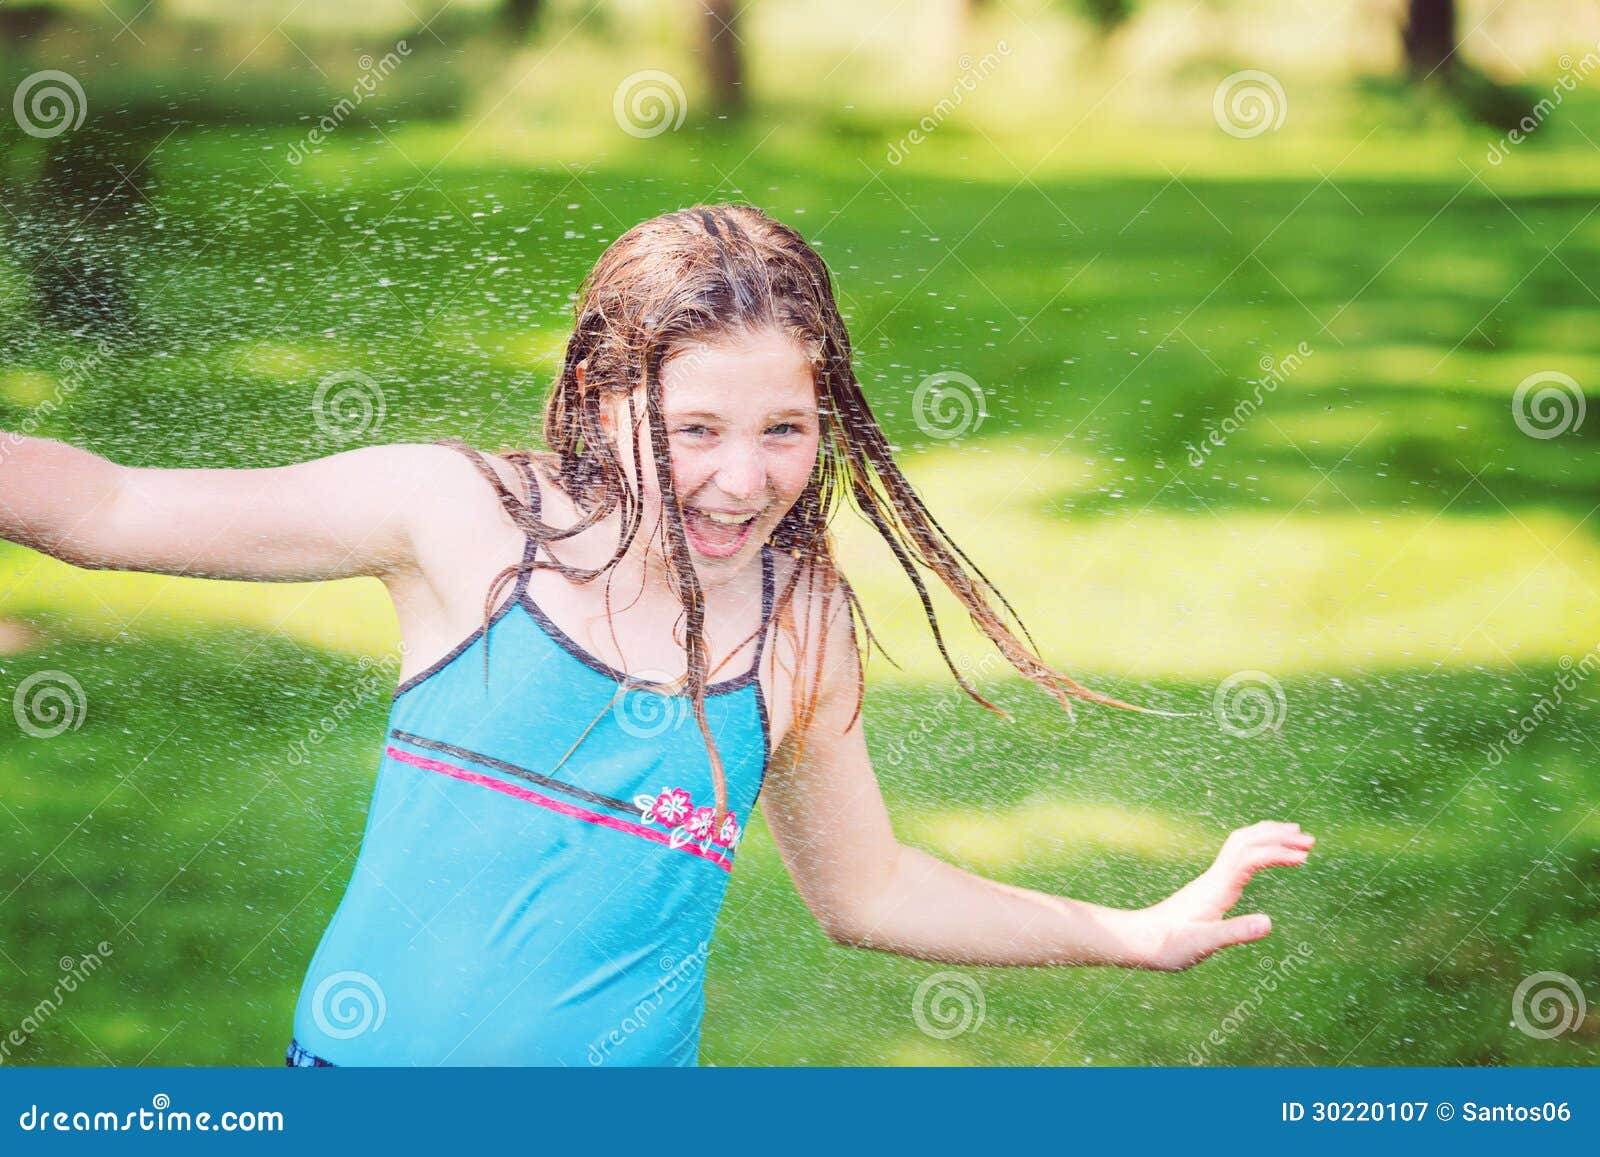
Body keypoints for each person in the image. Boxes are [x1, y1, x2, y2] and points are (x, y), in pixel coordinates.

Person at [0, 203, 1314, 1067]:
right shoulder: (464, 525)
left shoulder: (798, 625)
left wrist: (1129, 930)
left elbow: (867, 891)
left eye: (785, 429)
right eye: (695, 429)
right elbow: (105, 507)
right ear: (598, 392)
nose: (744, 479)